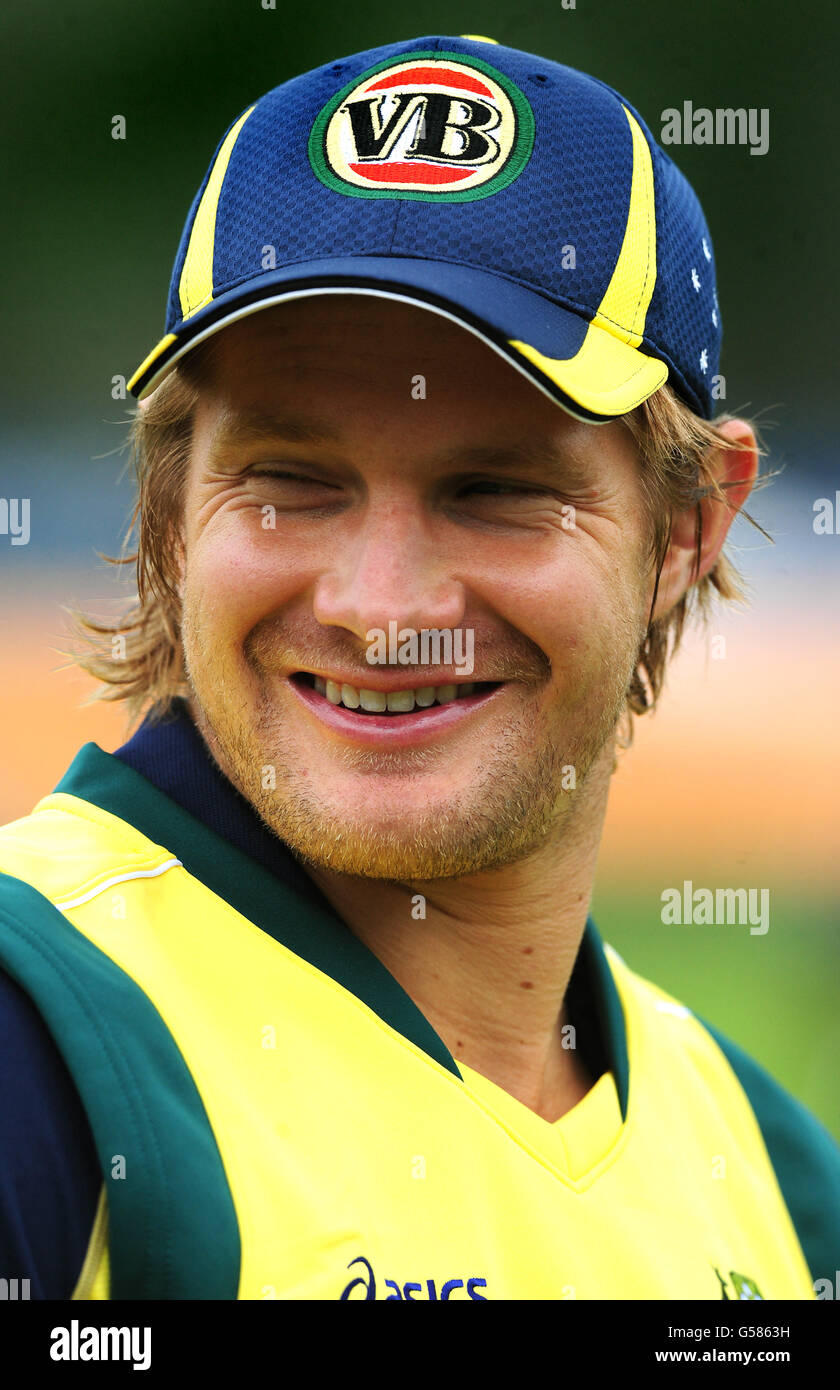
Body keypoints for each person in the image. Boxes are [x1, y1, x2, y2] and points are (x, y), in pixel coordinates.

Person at [1, 34, 837, 1302]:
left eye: (496, 490)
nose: (382, 611)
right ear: (176, 511)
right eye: (290, 483)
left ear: (686, 530)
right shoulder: (39, 1052)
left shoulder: (781, 1191)